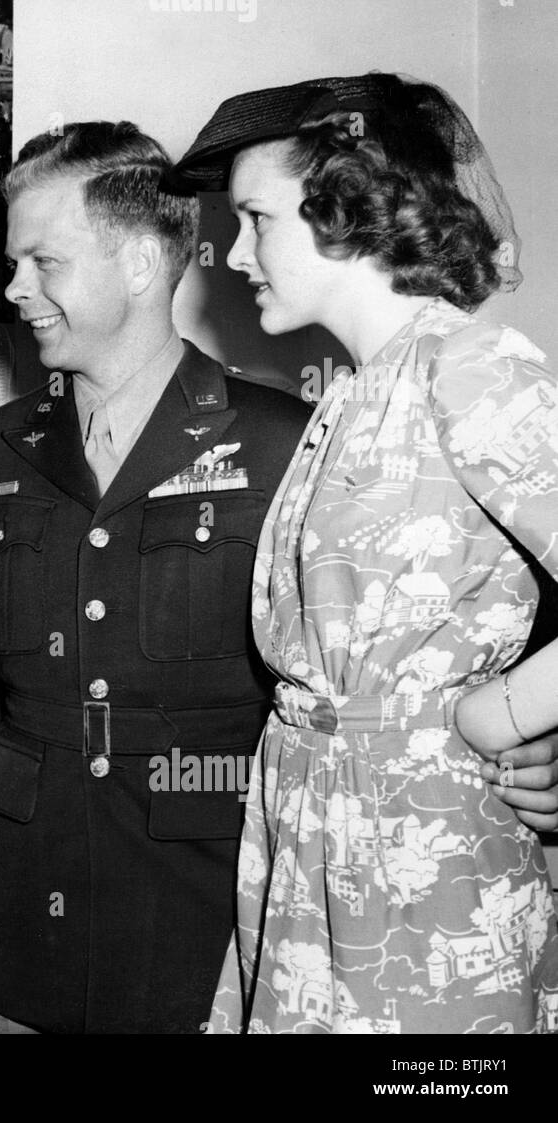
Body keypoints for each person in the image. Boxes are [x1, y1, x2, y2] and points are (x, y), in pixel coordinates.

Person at [174, 73, 558, 1033]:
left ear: (347, 207)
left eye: (256, 218)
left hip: (424, 858)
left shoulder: (470, 366)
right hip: (311, 835)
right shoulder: (352, 391)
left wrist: (501, 710)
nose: (231, 252)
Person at [0, 121, 313, 1033]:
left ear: (145, 264)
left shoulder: (285, 443)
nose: (14, 289)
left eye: (43, 261)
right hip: (23, 918)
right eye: (12, 262)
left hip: (207, 928)